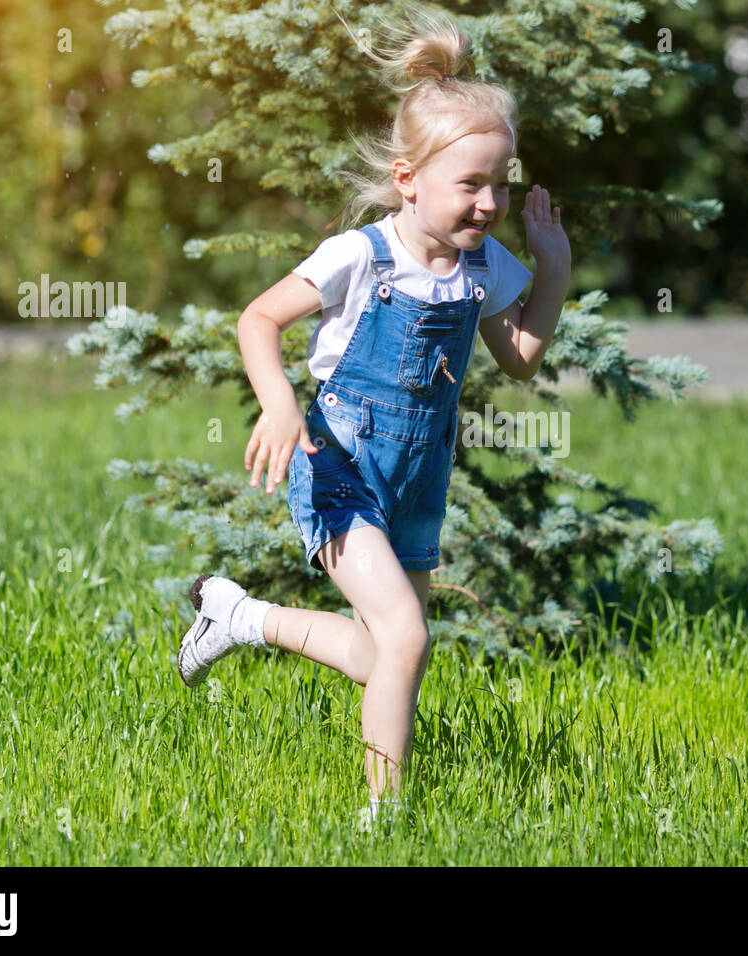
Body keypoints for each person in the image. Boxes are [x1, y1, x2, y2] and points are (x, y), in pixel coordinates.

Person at [176, 3, 573, 825]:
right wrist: (280, 405)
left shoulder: (482, 267)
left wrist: (553, 268)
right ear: (407, 179)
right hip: (340, 469)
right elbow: (257, 319)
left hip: (417, 481)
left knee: (381, 651)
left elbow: (520, 358)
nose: (489, 203)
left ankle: (241, 616)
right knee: (410, 640)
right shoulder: (361, 255)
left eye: (498, 184)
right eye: (470, 185)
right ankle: (385, 818)